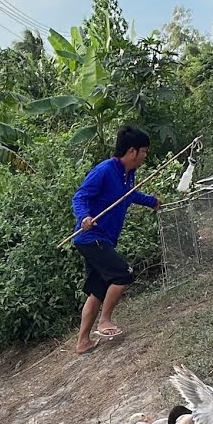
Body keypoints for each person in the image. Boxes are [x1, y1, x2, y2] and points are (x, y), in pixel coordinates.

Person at [71, 126, 162, 354]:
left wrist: (152, 202)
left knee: (98, 289)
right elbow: (80, 197)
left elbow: (128, 195)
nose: (145, 156)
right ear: (132, 151)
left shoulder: (127, 175)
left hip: (104, 239)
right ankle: (105, 321)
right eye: (144, 151)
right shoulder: (104, 170)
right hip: (90, 237)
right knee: (123, 274)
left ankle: (83, 342)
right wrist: (84, 217)